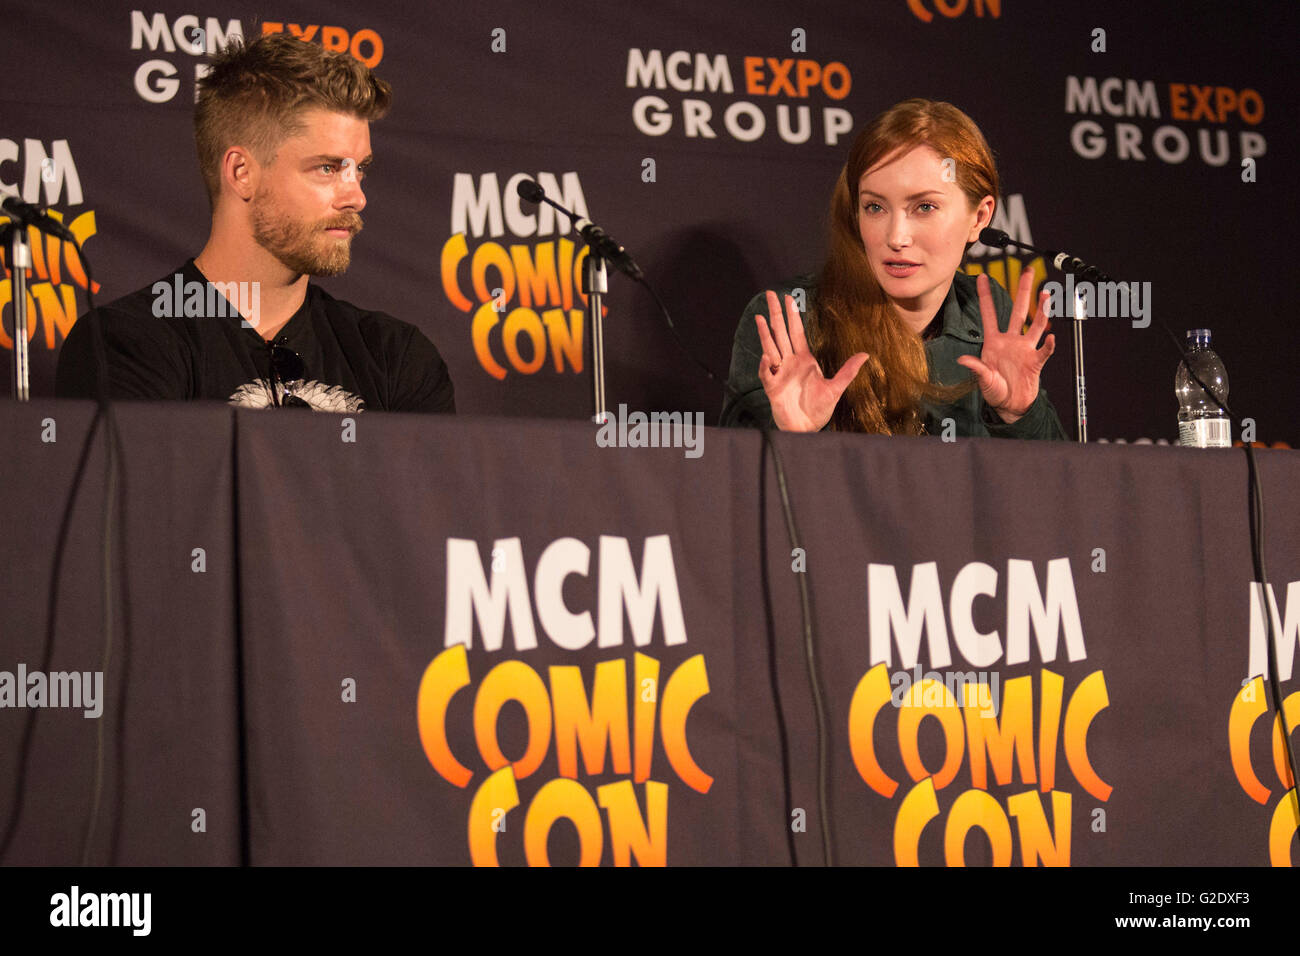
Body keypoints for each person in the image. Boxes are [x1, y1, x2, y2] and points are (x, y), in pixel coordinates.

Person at [56, 33, 455, 413]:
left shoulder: (396, 356)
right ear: (242, 172)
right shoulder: (126, 344)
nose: (356, 196)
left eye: (359, 169)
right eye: (328, 168)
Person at [721, 99, 1066, 439]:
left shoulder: (990, 312)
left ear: (979, 217)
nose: (896, 237)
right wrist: (795, 437)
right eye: (874, 207)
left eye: (925, 207)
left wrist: (1019, 415)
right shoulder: (792, 319)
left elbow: (1061, 488)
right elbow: (732, 485)